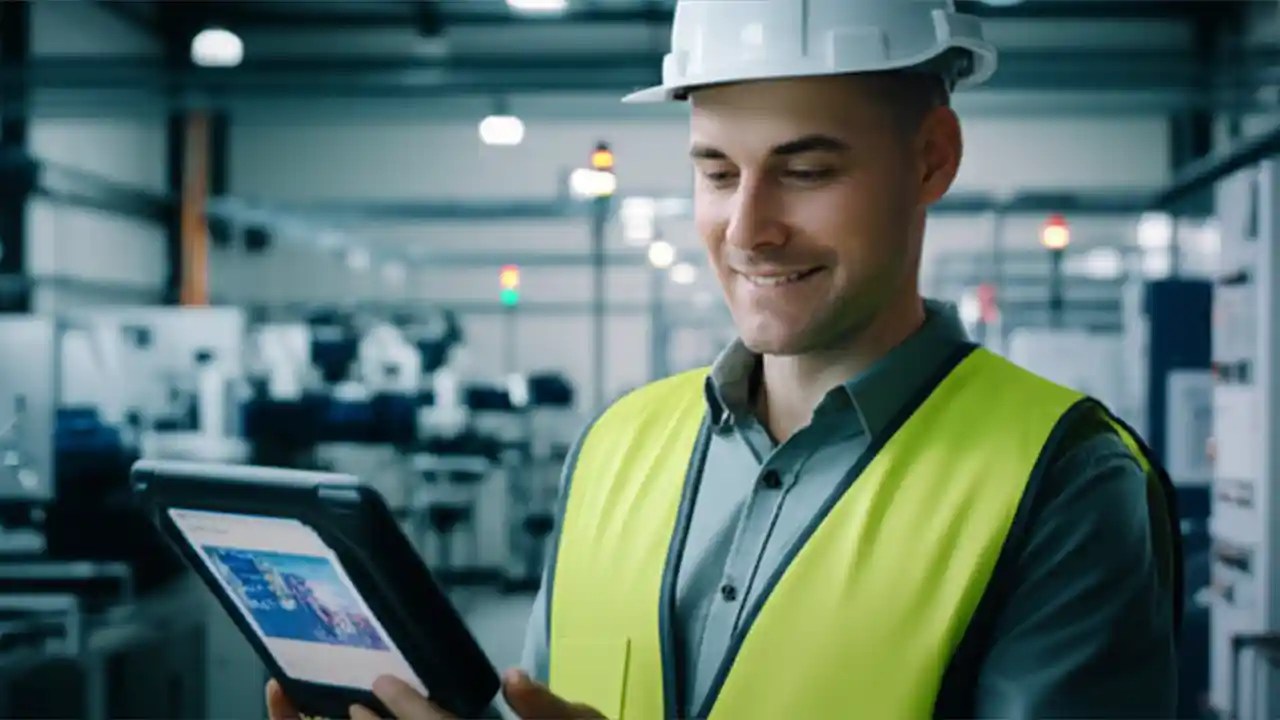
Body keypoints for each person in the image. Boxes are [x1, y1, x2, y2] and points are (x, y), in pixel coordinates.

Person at [268, 1, 1183, 718]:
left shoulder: (1060, 482)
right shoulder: (615, 447)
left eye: (807, 170)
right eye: (716, 172)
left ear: (932, 159)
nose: (748, 229)